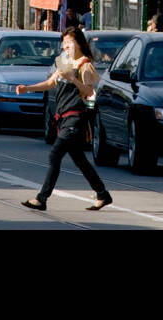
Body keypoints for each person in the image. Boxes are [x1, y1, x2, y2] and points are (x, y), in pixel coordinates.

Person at [16, 26, 112, 212]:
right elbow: (51, 83)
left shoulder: (85, 65)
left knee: (55, 154)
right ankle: (102, 194)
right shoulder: (65, 62)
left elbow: (89, 92)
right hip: (63, 119)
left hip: (75, 118)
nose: (66, 47)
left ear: (80, 44)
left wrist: (73, 79)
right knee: (80, 160)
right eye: (64, 43)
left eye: (70, 43)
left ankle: (41, 198)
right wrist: (27, 88)